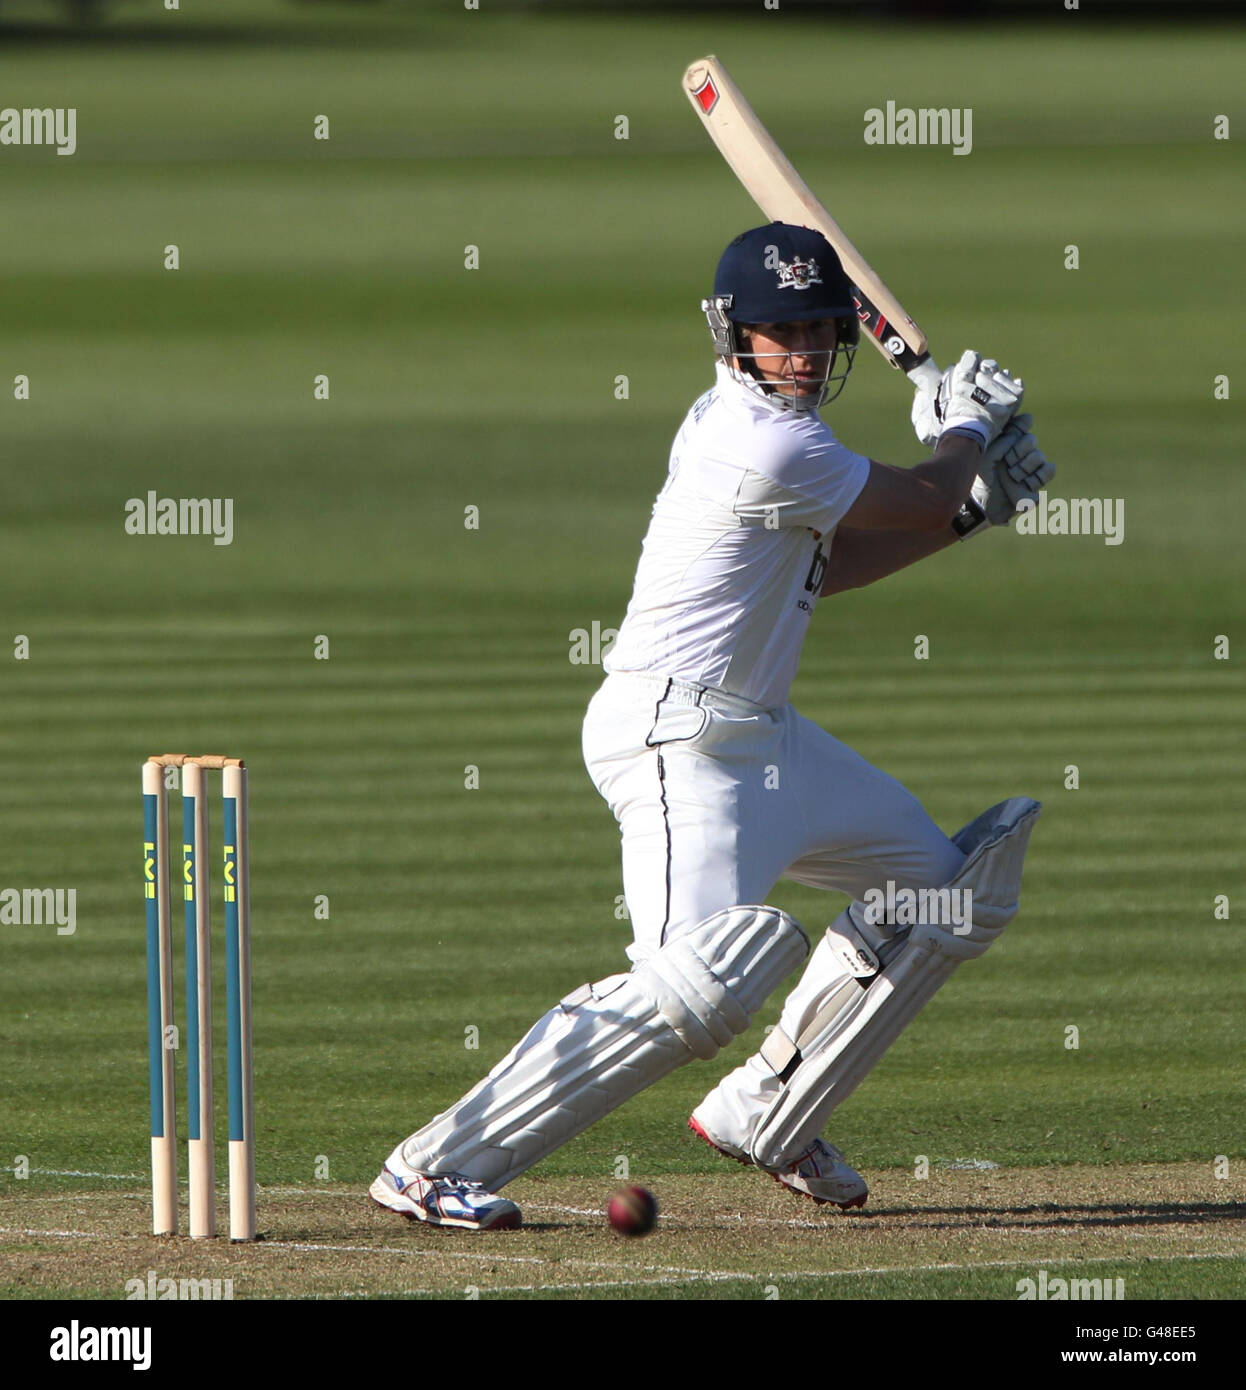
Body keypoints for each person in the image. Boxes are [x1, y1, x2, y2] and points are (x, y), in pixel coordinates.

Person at [371, 222, 1053, 1230]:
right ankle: (433, 1164)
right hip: (674, 741)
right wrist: (961, 433)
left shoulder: (793, 442)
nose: (807, 352)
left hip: (764, 740)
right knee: (703, 982)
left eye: (821, 330)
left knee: (947, 894)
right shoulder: (762, 436)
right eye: (784, 333)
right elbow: (914, 494)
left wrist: (966, 502)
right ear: (734, 335)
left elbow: (842, 564)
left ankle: (773, 1107)